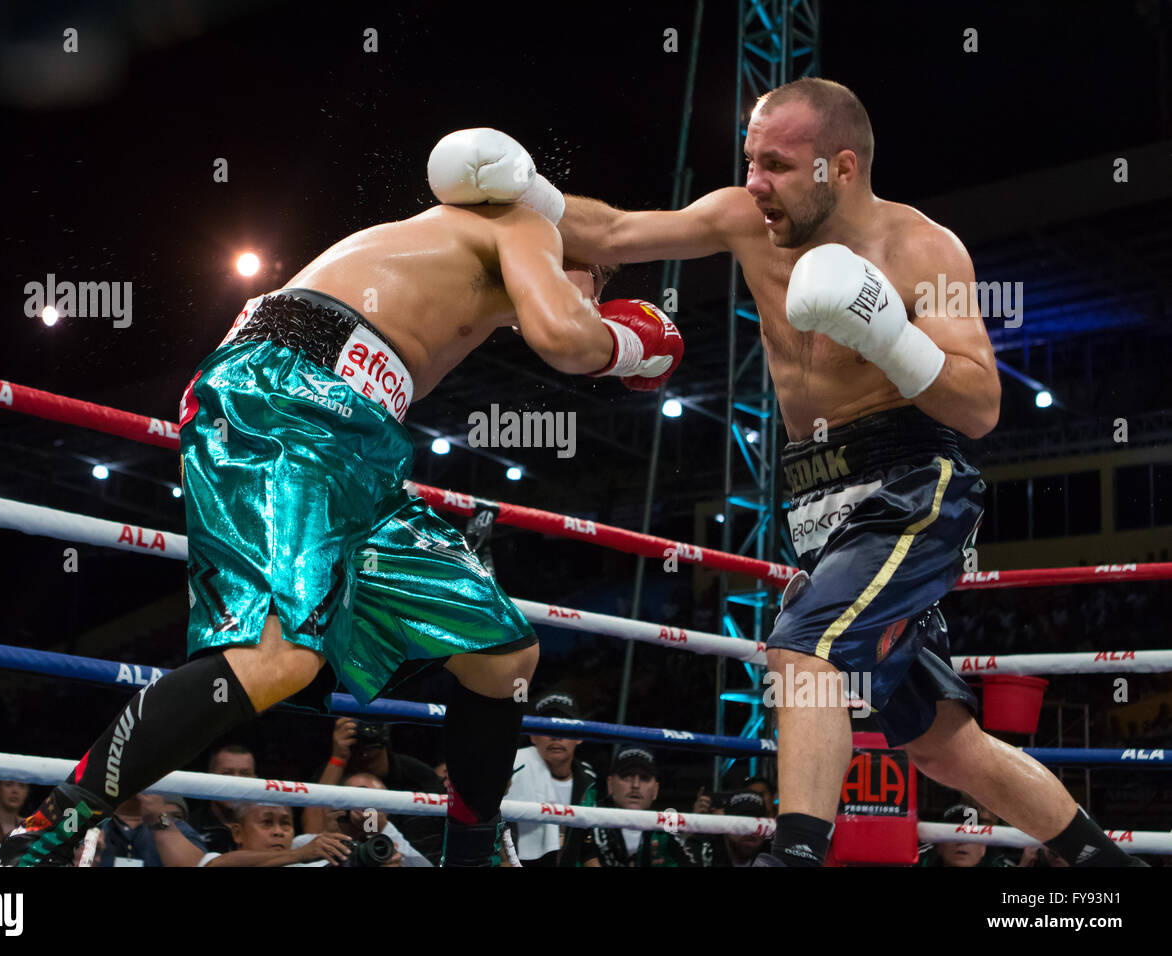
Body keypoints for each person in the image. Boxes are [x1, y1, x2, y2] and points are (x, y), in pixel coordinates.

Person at [430, 84, 1145, 867]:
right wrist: (523, 188)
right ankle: (1109, 872)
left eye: (776, 163)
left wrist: (886, 331)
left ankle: (793, 854)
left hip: (910, 486)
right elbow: (614, 230)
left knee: (804, 653)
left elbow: (979, 405)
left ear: (840, 168)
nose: (755, 180)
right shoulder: (746, 218)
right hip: (818, 507)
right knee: (945, 748)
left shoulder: (921, 250)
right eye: (750, 160)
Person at [0, 185, 682, 868]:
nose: (590, 304)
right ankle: (39, 837)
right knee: (277, 658)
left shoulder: (476, 282)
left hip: (359, 443)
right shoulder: (518, 228)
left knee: (502, 656)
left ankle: (469, 855)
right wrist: (631, 344)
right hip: (287, 392)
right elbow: (571, 332)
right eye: (593, 286)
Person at [305, 719, 443, 861]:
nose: (365, 730)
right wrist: (338, 758)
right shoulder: (331, 775)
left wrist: (379, 827)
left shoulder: (417, 775)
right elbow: (313, 839)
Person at [506, 693, 598, 866]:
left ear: (579, 736)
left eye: (563, 727)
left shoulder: (587, 780)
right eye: (547, 728)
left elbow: (585, 846)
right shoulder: (512, 767)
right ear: (533, 736)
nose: (556, 737)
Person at [575, 749, 700, 867]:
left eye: (644, 778)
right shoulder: (589, 819)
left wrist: (696, 828)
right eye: (627, 776)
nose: (635, 785)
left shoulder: (664, 831)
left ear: (655, 790)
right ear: (610, 784)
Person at [296, 772, 432, 867]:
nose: (366, 808)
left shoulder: (383, 852)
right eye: (359, 798)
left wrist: (379, 829)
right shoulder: (307, 844)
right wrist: (335, 831)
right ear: (337, 804)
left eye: (376, 803)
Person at [193, 802, 353, 868]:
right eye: (267, 822)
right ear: (238, 833)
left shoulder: (313, 864)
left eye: (285, 823)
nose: (278, 832)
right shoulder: (217, 859)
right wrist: (298, 854)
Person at [186, 744, 257, 853]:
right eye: (227, 773)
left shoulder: (270, 827)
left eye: (245, 774)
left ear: (256, 780)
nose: (236, 782)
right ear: (209, 779)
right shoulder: (190, 828)